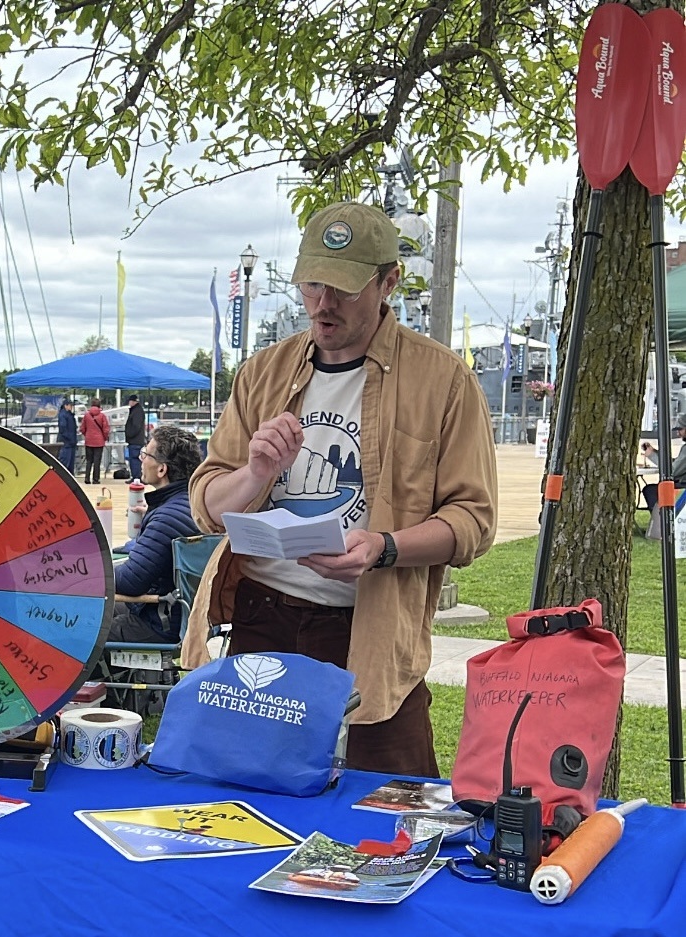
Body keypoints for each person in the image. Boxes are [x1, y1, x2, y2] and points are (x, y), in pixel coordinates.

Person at [185, 201, 497, 776]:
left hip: (372, 633)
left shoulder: (444, 379)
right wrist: (255, 473)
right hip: (264, 623)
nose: (323, 304)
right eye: (312, 284)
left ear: (388, 283)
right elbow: (206, 506)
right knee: (249, 806)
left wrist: (384, 548)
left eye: (345, 288)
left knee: (390, 813)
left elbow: (474, 521)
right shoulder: (263, 372)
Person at [110, 425, 202, 643]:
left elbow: (130, 582)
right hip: (184, 617)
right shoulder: (196, 505)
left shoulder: (165, 519)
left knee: (77, 628)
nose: (141, 460)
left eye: (146, 454)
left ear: (162, 470)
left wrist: (93, 573)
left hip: (161, 624)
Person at [81, 398, 110, 485]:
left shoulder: (86, 415)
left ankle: (87, 478)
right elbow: (106, 429)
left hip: (89, 440)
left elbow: (82, 428)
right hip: (99, 441)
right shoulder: (102, 416)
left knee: (89, 460)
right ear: (99, 405)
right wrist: (105, 438)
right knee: (97, 461)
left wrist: (87, 434)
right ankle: (95, 479)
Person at [124, 393, 147, 482]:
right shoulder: (137, 410)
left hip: (135, 440)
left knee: (135, 460)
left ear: (132, 401)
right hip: (137, 440)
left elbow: (136, 426)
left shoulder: (136, 411)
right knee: (136, 459)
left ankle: (136, 477)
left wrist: (129, 434)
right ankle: (136, 477)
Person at [56, 396, 78, 472]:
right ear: (66, 405)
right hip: (66, 442)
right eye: (70, 405)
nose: (71, 407)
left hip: (70, 442)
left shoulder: (68, 415)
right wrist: (70, 438)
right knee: (65, 462)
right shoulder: (63, 415)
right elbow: (63, 428)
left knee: (70, 464)